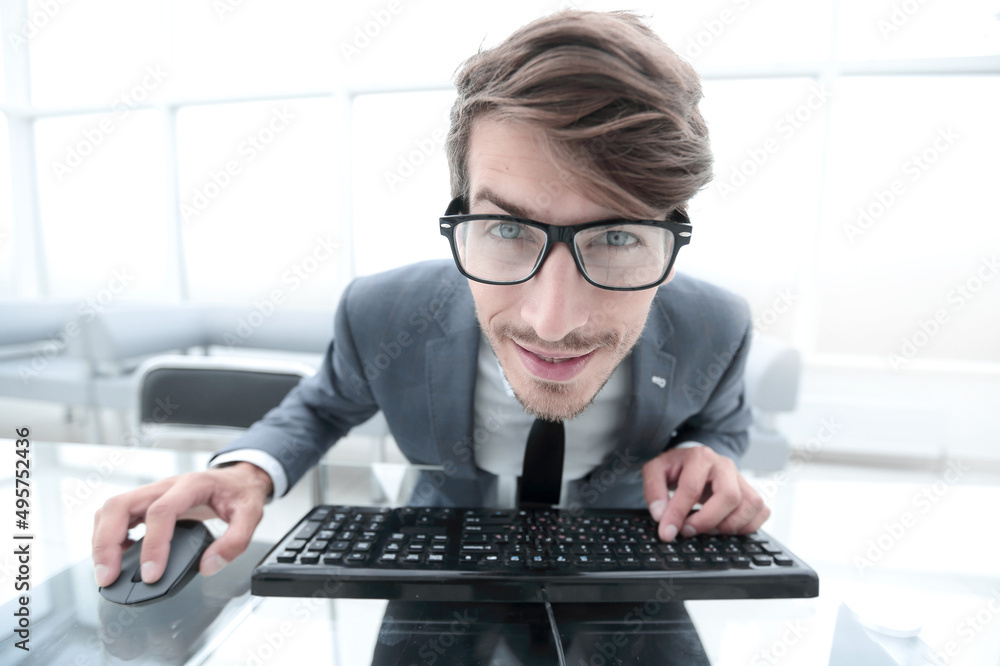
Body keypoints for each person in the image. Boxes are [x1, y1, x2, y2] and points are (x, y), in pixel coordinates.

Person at [92, 9, 769, 590]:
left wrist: (715, 455)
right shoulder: (381, 314)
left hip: (626, 570)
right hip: (437, 566)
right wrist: (248, 472)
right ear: (460, 211)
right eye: (506, 229)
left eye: (618, 236)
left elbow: (725, 425)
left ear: (675, 231)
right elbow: (322, 407)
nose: (549, 321)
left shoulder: (718, 325)